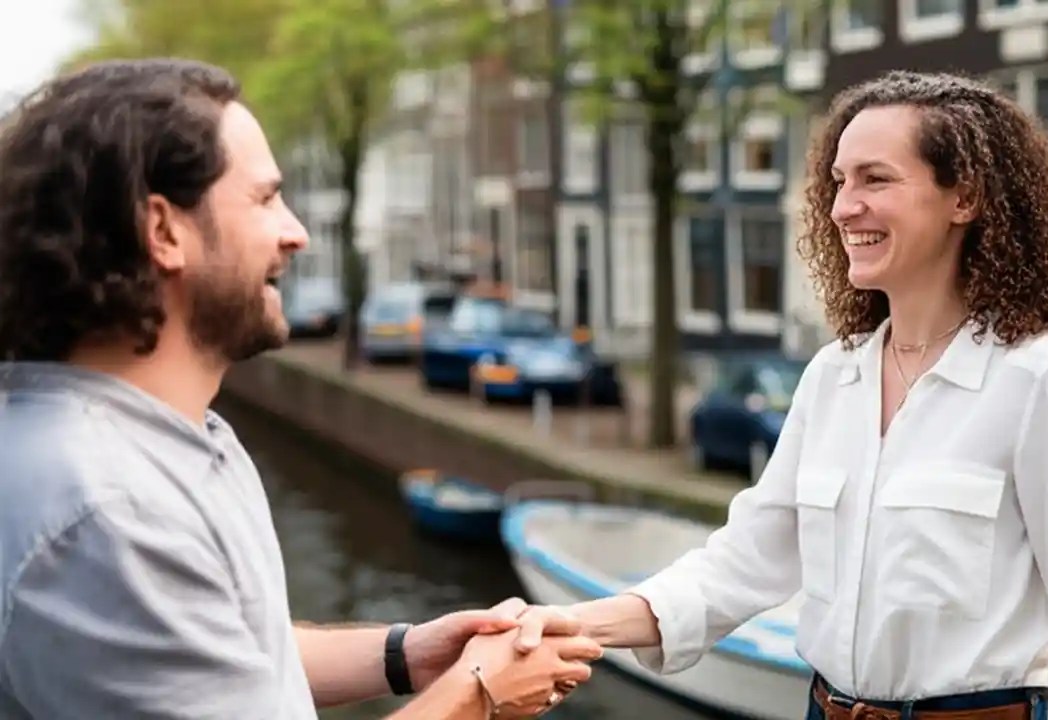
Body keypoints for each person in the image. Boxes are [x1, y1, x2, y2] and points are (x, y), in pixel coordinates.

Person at [511, 70, 1048, 719]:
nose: (842, 207)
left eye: (875, 179)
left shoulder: (1041, 378)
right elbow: (745, 561)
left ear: (966, 197)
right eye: (840, 181)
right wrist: (570, 624)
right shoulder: (832, 378)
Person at [0, 58, 599, 719]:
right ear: (164, 232)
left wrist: (407, 652)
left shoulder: (170, 442)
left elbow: (230, 663)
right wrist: (477, 693)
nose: (297, 232)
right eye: (263, 199)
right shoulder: (110, 511)